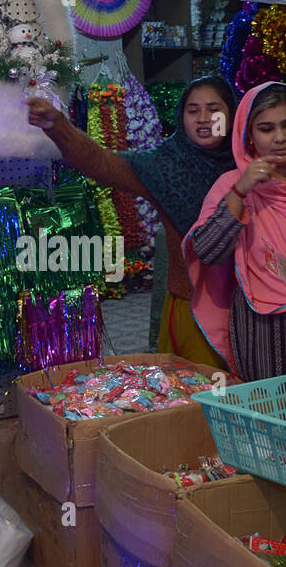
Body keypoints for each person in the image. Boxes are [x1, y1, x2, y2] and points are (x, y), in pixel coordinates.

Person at [28, 76, 239, 370]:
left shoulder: (249, 163)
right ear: (182, 116)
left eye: (213, 109)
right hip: (192, 308)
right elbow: (102, 164)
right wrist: (59, 128)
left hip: (249, 306)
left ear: (232, 114)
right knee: (200, 395)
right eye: (193, 111)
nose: (204, 119)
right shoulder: (165, 165)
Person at [182, 81, 286, 381]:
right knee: (269, 408)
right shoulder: (231, 184)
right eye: (266, 129)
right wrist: (240, 191)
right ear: (248, 134)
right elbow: (208, 252)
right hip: (261, 327)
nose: (280, 138)